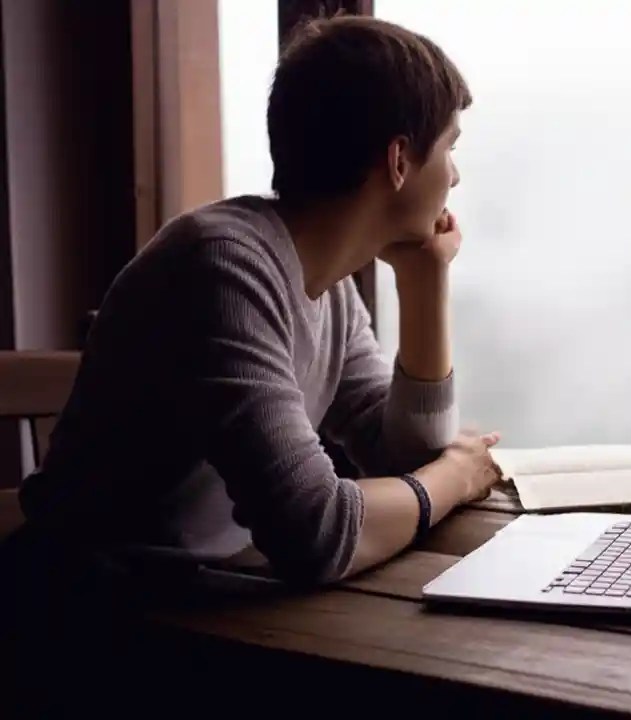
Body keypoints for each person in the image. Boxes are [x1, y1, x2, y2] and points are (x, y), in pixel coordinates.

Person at [3, 15, 501, 595]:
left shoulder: (327, 284)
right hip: (86, 618)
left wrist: (424, 283)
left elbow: (403, 458)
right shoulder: (223, 268)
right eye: (449, 148)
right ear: (398, 160)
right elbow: (314, 533)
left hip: (194, 600)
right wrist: (455, 479)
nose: (456, 176)